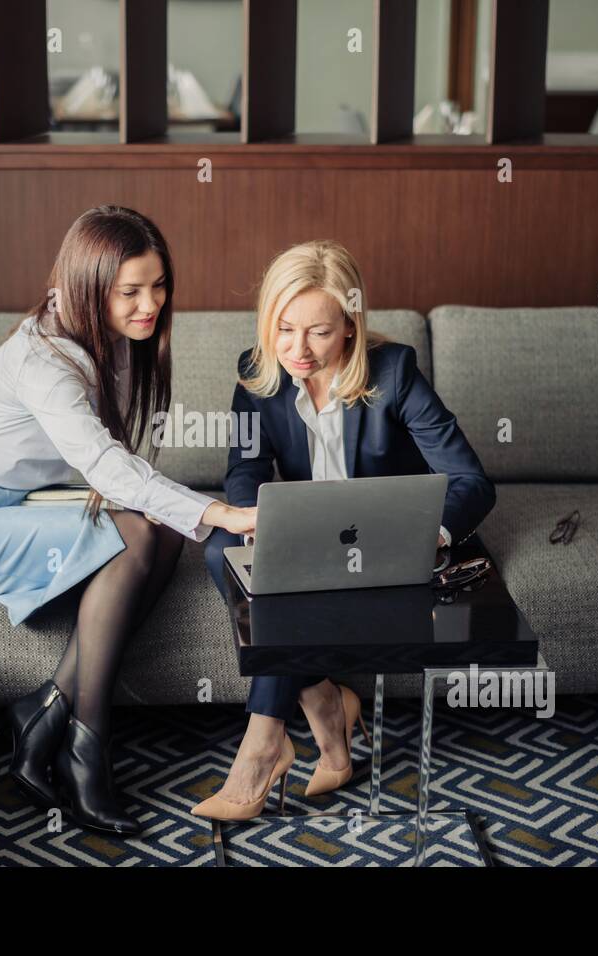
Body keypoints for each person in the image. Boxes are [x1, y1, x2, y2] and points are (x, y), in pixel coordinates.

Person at [0, 206, 256, 835]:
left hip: (17, 504)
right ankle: (88, 749)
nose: (150, 305)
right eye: (131, 292)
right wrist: (223, 511)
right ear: (90, 288)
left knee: (164, 527)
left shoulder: (108, 338)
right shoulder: (44, 359)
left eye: (158, 285)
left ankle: (47, 707)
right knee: (145, 525)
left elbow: (116, 466)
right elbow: (104, 465)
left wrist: (188, 510)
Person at [192, 240, 495, 821]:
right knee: (222, 548)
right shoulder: (257, 373)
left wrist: (429, 533)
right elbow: (246, 468)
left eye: (319, 333)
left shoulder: (395, 372)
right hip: (307, 529)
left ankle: (264, 744)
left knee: (275, 587)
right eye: (283, 328)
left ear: (351, 327)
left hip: (377, 536)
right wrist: (254, 518)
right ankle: (325, 698)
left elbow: (471, 481)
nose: (296, 350)